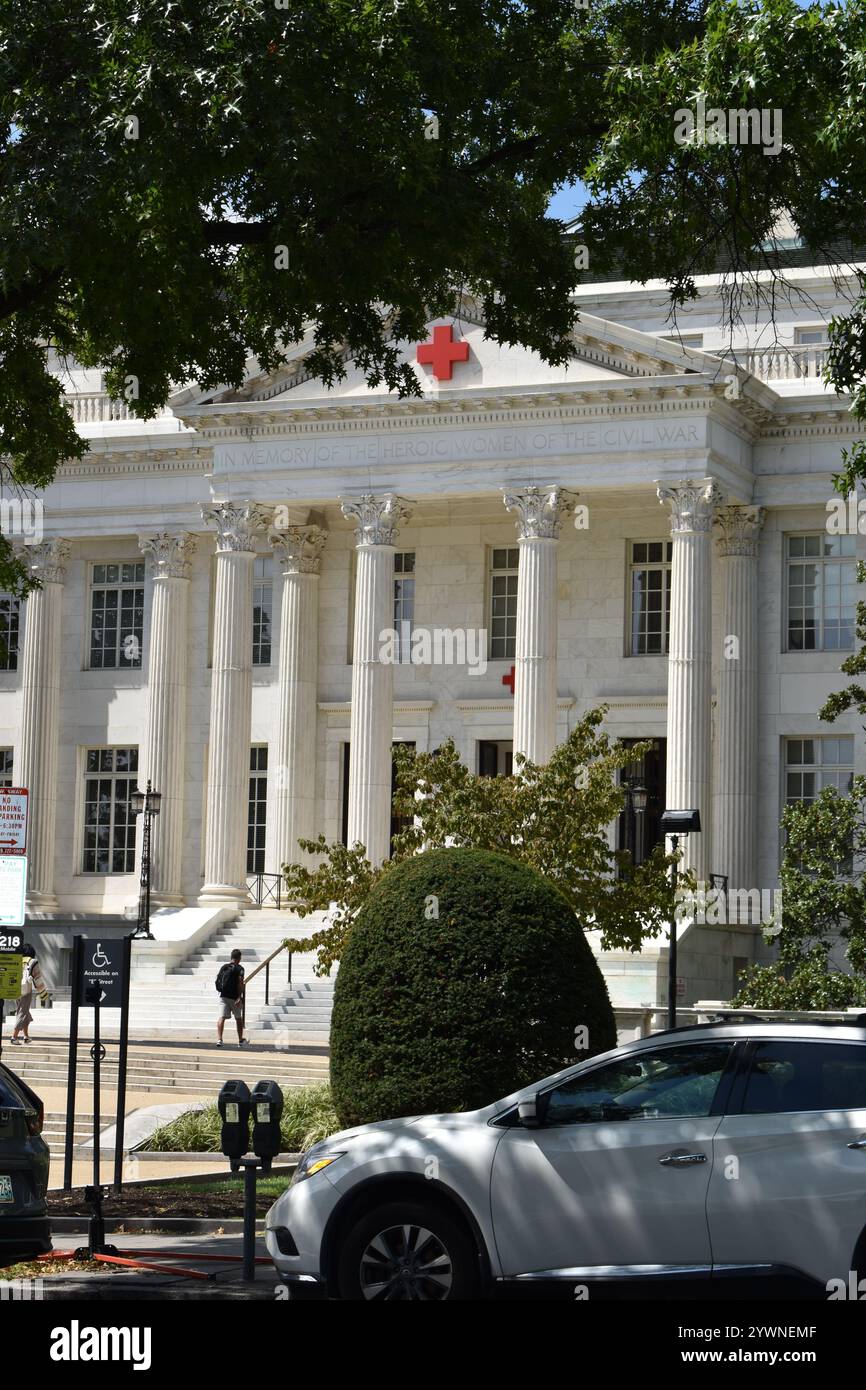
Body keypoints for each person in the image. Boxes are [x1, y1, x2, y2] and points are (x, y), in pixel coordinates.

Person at [10, 945, 51, 1045]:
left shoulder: (17, 960)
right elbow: (37, 978)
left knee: (25, 1013)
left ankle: (26, 1036)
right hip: (26, 989)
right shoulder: (33, 961)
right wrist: (43, 994)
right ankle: (14, 1037)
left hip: (15, 989)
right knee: (22, 1013)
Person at [216, 949, 247, 1048]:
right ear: (239, 958)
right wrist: (239, 996)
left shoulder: (224, 967)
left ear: (231, 957)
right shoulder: (240, 968)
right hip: (234, 997)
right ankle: (240, 1040)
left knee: (222, 1017)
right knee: (238, 1019)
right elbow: (240, 983)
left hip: (223, 996)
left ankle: (219, 1039)